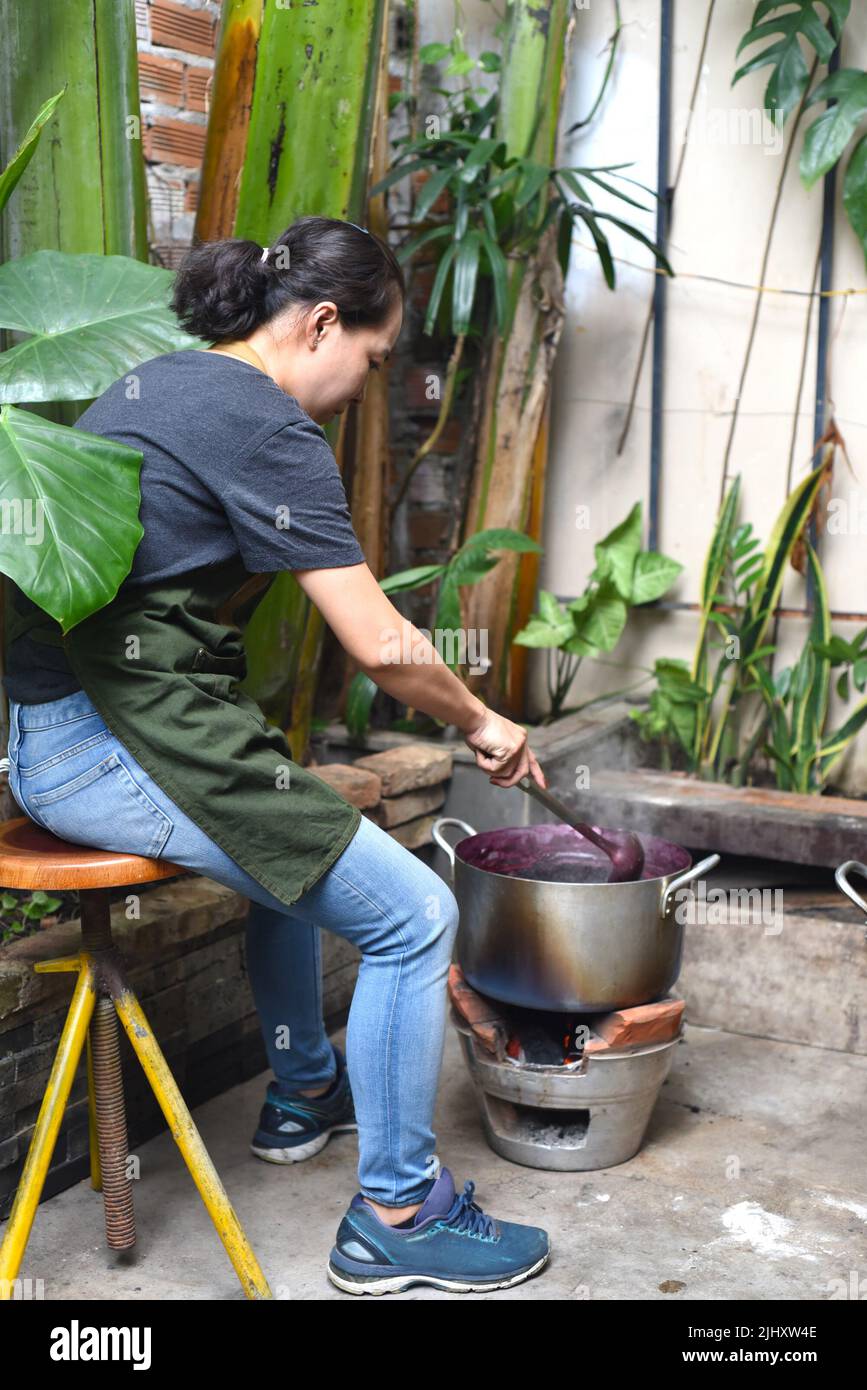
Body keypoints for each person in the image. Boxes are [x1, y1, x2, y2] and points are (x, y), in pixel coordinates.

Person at [1, 215, 550, 1297]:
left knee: (298, 850)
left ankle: (304, 1088)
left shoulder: (167, 379)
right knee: (413, 916)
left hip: (59, 732)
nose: (364, 387)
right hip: (103, 747)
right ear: (322, 323)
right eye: (375, 362)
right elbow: (383, 644)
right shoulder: (264, 425)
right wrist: (484, 721)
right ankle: (396, 1211)